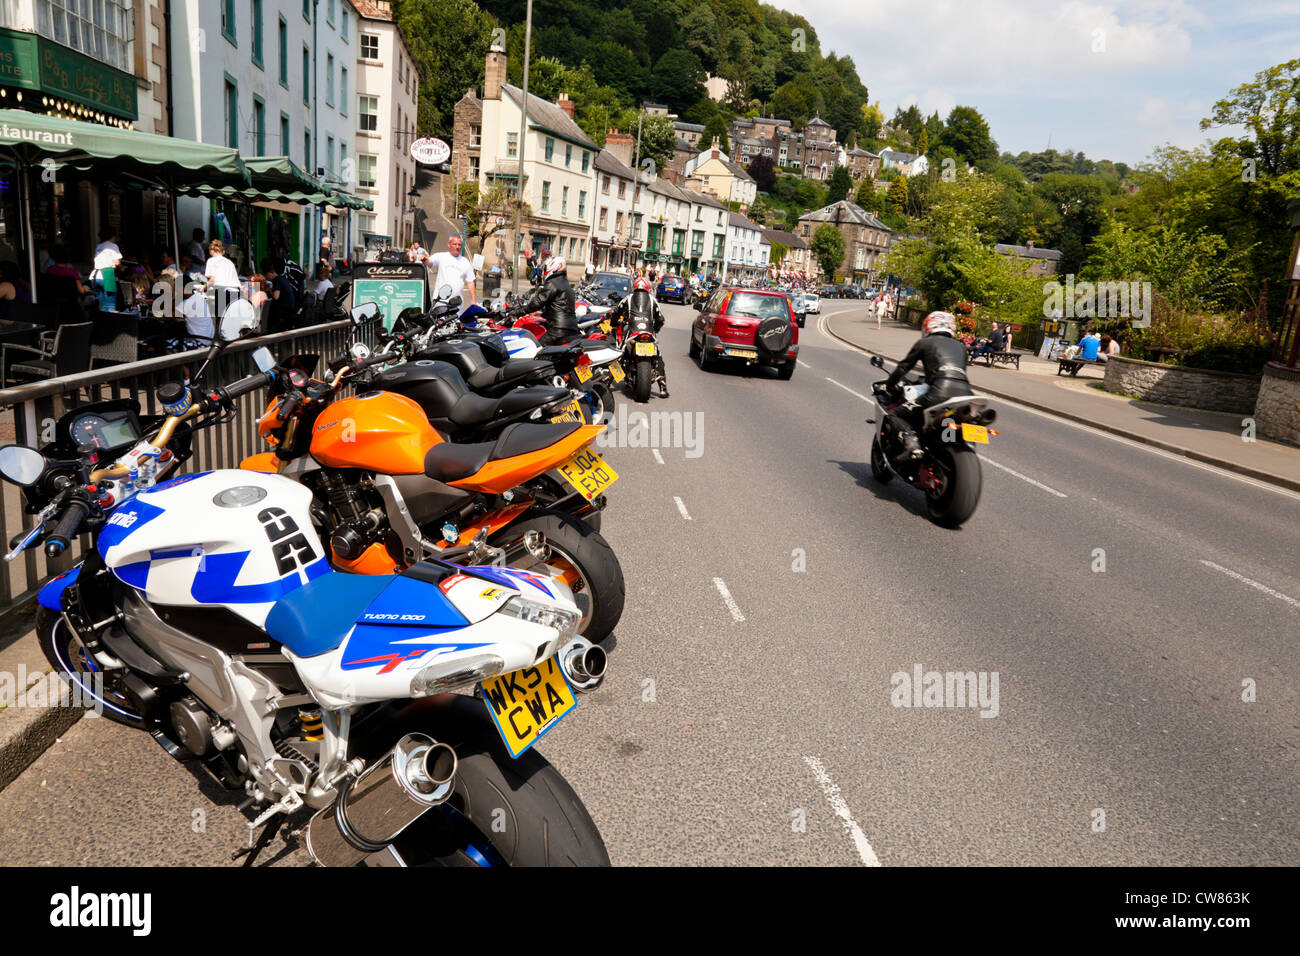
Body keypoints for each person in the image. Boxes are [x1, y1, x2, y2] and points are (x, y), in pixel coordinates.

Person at [883, 311, 973, 464]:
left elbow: (903, 368)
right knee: (955, 424)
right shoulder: (961, 347)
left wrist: (889, 385)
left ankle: (911, 443)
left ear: (928, 326)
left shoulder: (924, 343)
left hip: (938, 392)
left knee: (893, 415)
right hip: (966, 395)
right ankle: (947, 445)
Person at [606, 276, 669, 397]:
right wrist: (655, 329)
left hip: (632, 331)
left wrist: (614, 323)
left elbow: (616, 312)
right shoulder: (653, 300)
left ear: (634, 287)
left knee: (620, 353)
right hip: (649, 332)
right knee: (658, 356)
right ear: (648, 288)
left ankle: (608, 380)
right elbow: (661, 319)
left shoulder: (628, 298)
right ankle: (662, 386)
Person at [514, 255, 578, 346]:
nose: (544, 271)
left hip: (558, 329)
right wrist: (541, 314)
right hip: (572, 328)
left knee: (536, 350)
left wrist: (519, 311)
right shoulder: (566, 284)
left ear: (555, 267)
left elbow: (537, 302)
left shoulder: (553, 283)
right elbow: (559, 307)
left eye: (546, 268)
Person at [425, 233, 476, 305]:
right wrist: (424, 260)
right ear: (449, 245)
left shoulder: (465, 262)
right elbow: (430, 262)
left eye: (459, 245)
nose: (457, 247)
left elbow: (470, 282)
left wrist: (474, 301)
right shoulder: (441, 256)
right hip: (440, 301)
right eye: (455, 244)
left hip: (457, 303)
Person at [204, 239, 241, 319]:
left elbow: (212, 279)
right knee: (230, 319)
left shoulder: (211, 261)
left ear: (211, 250)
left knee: (217, 318)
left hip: (222, 292)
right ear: (223, 252)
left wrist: (203, 288)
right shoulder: (229, 262)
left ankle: (215, 331)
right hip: (235, 293)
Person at [260, 258, 298, 333]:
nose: (267, 278)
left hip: (285, 309)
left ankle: (267, 330)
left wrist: (269, 290)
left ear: (269, 273)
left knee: (269, 309)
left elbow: (276, 297)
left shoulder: (276, 280)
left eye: (266, 276)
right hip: (290, 307)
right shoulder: (281, 278)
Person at [91, 227, 123, 311]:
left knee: (103, 306)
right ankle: (111, 323)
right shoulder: (112, 246)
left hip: (95, 277)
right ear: (113, 236)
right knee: (110, 305)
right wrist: (122, 268)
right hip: (107, 276)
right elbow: (117, 262)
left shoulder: (99, 246)